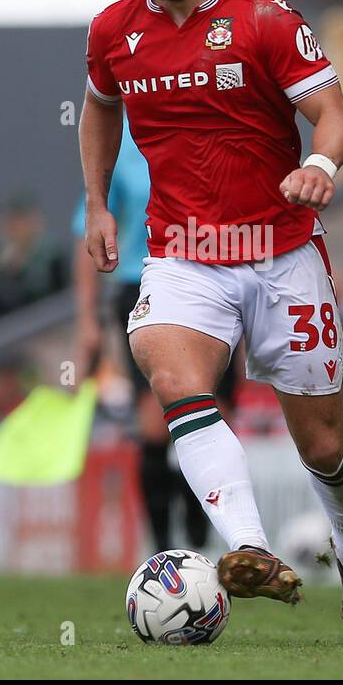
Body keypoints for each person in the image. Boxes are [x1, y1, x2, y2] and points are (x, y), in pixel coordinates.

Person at [78, 0, 343, 643]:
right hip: (184, 253)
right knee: (169, 368)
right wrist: (95, 201)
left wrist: (323, 165)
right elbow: (99, 105)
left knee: (322, 444)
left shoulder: (266, 17)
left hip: (282, 253)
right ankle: (248, 546)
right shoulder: (116, 30)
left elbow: (336, 116)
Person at [70, 117, 237, 553]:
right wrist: (87, 319)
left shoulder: (211, 117)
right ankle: (163, 546)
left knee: (214, 415)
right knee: (156, 419)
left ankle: (200, 545)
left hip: (216, 278)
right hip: (143, 283)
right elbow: (87, 227)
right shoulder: (120, 134)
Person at [0, 194, 68, 321]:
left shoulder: (51, 256)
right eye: (9, 222)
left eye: (18, 220)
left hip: (52, 328)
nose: (13, 229)